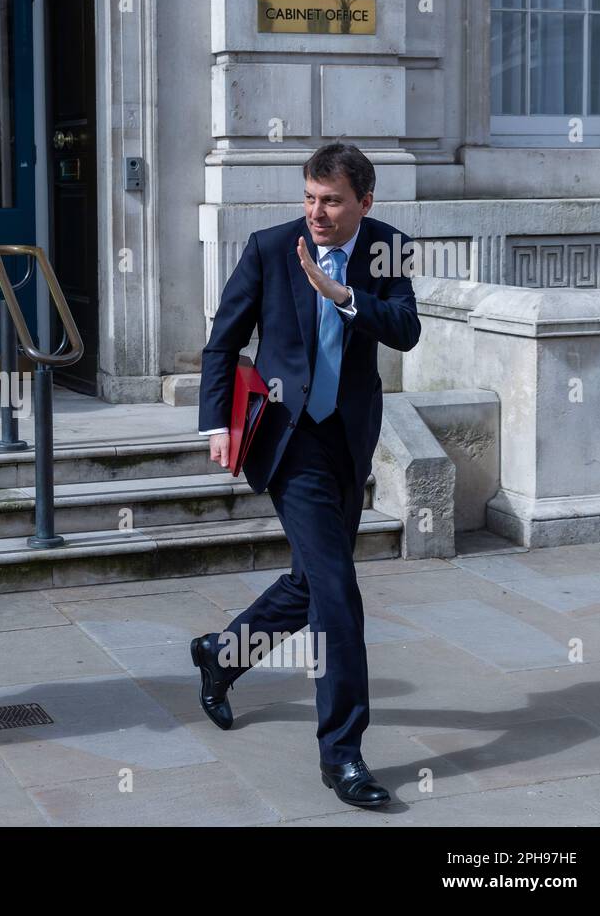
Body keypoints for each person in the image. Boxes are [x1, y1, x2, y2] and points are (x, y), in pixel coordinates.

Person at [192, 142, 421, 809]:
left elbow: (406, 329)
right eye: (310, 198)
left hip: (346, 438)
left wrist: (346, 296)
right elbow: (223, 340)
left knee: (308, 582)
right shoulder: (269, 247)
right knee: (337, 593)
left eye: (332, 201)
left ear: (364, 204)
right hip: (289, 443)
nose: (317, 213)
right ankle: (343, 755)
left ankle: (221, 654)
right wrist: (216, 425)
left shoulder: (389, 247)